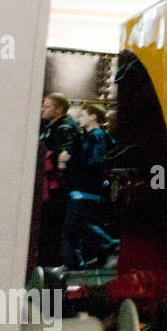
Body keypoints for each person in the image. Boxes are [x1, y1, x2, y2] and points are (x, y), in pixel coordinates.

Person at [60, 102, 118, 269]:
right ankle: (75, 261)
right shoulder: (94, 136)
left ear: (93, 116)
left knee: (74, 227)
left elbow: (94, 161)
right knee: (79, 226)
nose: (80, 118)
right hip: (85, 189)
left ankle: (110, 245)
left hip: (85, 188)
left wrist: (70, 161)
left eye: (83, 115)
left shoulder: (96, 135)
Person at [38, 93, 81, 267]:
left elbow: (64, 156)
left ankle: (51, 261)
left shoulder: (64, 128)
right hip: (52, 186)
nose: (42, 109)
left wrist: (58, 162)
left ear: (59, 109)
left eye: (47, 107)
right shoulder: (53, 126)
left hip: (57, 188)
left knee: (53, 224)